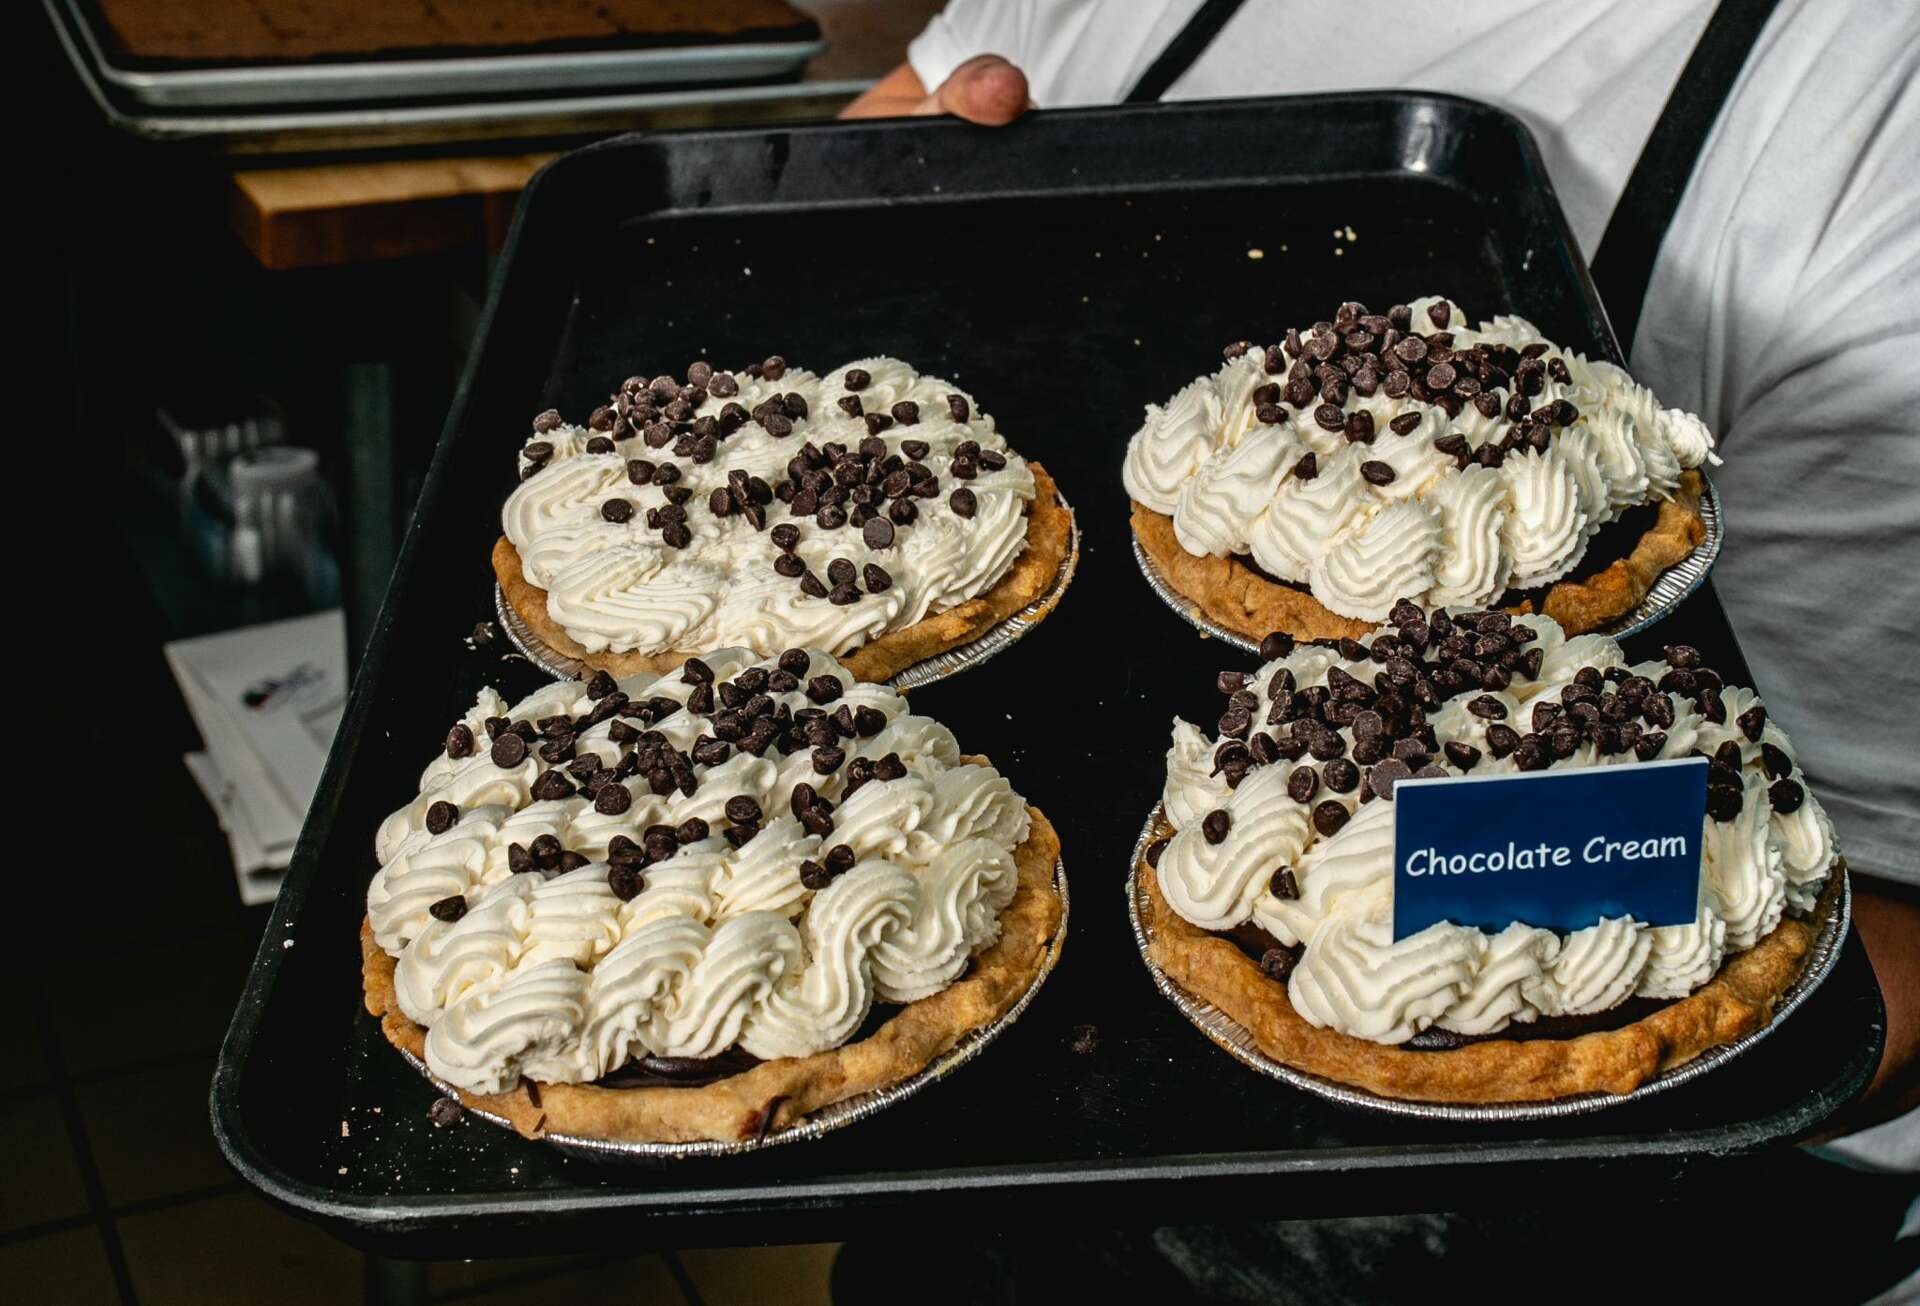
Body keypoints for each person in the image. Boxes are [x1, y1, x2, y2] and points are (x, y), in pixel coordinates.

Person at [837, 2, 1919, 1302]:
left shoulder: (1864, 131)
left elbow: (1879, 942)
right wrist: (908, 193)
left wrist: (1409, 935)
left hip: (1520, 1229)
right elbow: (875, 133)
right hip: (965, 1108)